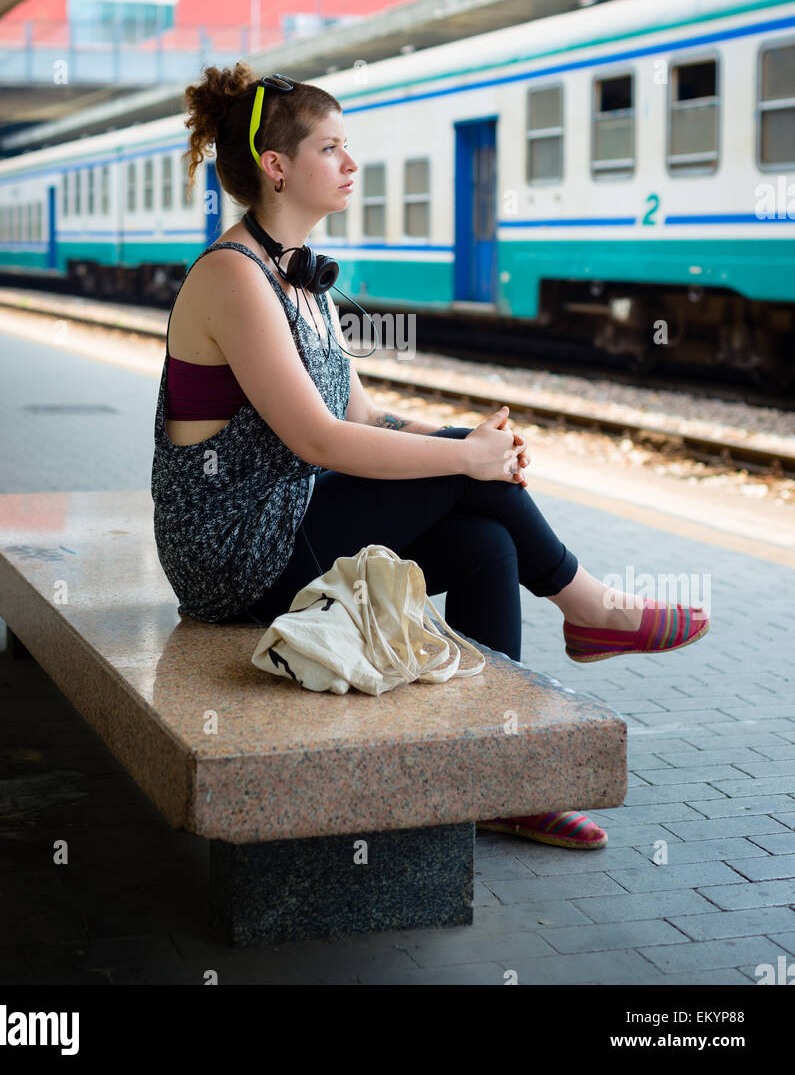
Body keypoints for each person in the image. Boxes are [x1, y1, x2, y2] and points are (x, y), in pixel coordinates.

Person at [150, 61, 709, 852]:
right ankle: (591, 610)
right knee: (461, 475)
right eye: (332, 148)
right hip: (232, 553)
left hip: (286, 524)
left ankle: (501, 783)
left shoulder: (298, 281)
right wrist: (462, 458)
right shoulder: (233, 277)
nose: (351, 164)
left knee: (486, 543)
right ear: (276, 167)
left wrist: (463, 439)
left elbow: (365, 416)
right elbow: (318, 441)